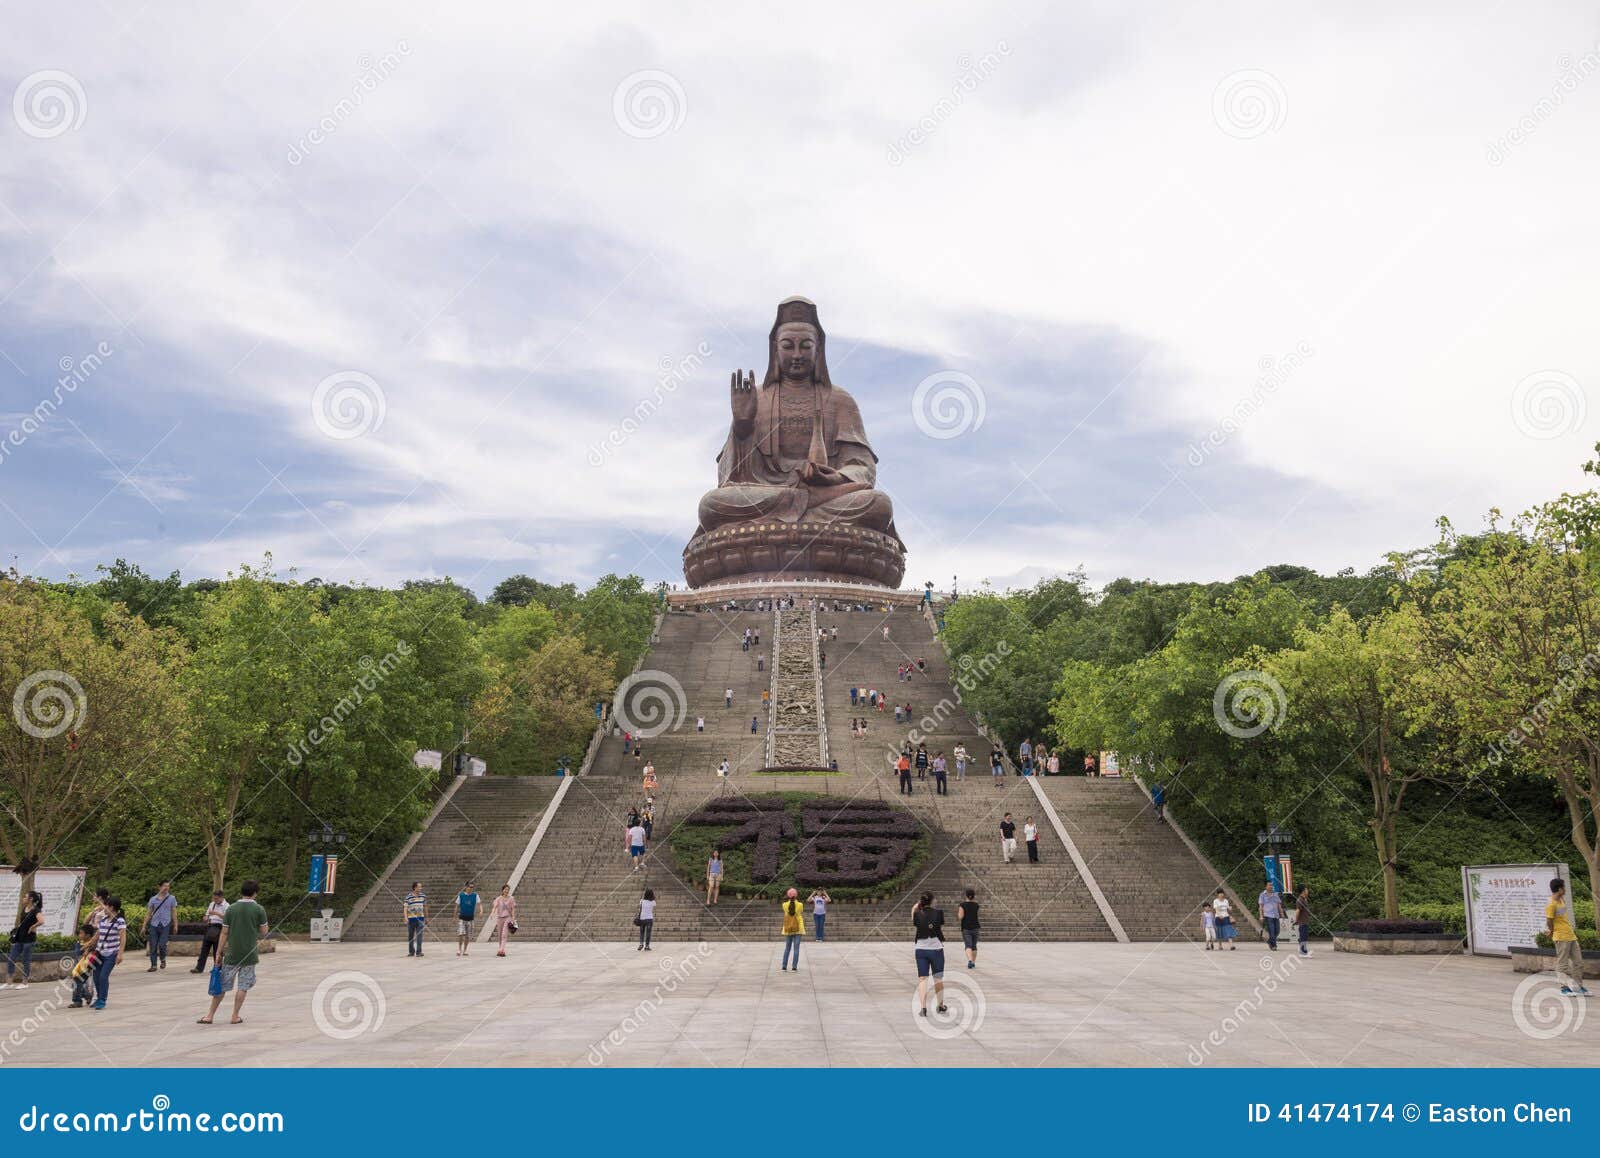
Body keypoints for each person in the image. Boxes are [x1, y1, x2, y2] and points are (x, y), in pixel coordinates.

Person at [197, 879, 268, 1026]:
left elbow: (224, 933)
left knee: (222, 985)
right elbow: (264, 931)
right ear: (255, 893)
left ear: (241, 891)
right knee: (243, 986)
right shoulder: (259, 909)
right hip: (249, 955)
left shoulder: (231, 909)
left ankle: (209, 1015)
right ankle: (235, 1016)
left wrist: (218, 952)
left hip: (232, 954)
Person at [1547, 877, 1587, 994]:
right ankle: (1563, 987)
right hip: (1561, 937)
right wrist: (1552, 931)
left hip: (1571, 935)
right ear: (1560, 889)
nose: (1565, 889)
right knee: (1563, 964)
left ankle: (1577, 986)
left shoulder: (1561, 900)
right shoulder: (1551, 904)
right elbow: (1549, 921)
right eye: (1564, 887)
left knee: (1578, 962)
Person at [912, 892, 947, 1018]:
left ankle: (923, 1008)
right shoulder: (939, 913)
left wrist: (916, 907)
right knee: (938, 978)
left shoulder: (917, 914)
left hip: (921, 949)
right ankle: (940, 1005)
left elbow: (915, 921)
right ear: (932, 901)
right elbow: (938, 926)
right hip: (936, 949)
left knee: (922, 978)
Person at [90, 896, 126, 1010]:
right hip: (99, 953)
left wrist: (120, 954)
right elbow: (98, 935)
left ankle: (102, 1000)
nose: (103, 908)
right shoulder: (103, 920)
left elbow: (123, 938)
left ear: (111, 907)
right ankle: (98, 997)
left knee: (103, 976)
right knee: (96, 976)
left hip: (111, 954)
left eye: (105, 905)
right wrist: (88, 945)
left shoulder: (120, 921)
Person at [4, 891, 43, 988]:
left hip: (29, 940)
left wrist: (33, 927)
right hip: (19, 939)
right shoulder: (24, 908)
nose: (23, 898)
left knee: (26, 961)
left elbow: (41, 921)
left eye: (25, 897)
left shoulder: (36, 910)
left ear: (31, 899)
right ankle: (9, 983)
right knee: (11, 958)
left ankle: (25, 983)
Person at [143, 879, 178, 972]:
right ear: (159, 887)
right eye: (164, 886)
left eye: (168, 886)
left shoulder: (172, 898)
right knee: (153, 946)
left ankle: (163, 959)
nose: (166, 888)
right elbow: (148, 913)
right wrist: (144, 926)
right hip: (154, 924)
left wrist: (175, 925)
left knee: (162, 945)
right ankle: (153, 965)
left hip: (165, 924)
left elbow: (174, 912)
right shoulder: (153, 899)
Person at [191, 891, 228, 973]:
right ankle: (199, 968)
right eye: (214, 898)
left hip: (219, 927)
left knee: (217, 949)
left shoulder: (226, 905)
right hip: (210, 927)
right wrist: (205, 917)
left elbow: (227, 918)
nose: (215, 900)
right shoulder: (212, 904)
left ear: (221, 897)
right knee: (204, 948)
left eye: (216, 899)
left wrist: (216, 913)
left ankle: (218, 968)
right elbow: (207, 915)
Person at [68, 921, 99, 1007]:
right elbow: (77, 952)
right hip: (80, 966)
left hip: (89, 966)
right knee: (77, 982)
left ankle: (78, 1000)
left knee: (79, 982)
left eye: (81, 933)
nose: (79, 935)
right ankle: (86, 996)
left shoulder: (95, 944)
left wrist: (88, 948)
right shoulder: (79, 943)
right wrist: (85, 947)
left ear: (88, 935)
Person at [780, 888, 805, 971]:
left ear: (788, 895)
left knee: (787, 948)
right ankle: (794, 967)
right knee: (796, 948)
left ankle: (784, 966)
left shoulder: (784, 905)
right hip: (798, 928)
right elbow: (801, 911)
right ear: (796, 895)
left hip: (788, 928)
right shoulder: (800, 905)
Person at [957, 887, 980, 969]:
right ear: (974, 896)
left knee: (968, 945)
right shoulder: (976, 905)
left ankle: (970, 960)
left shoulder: (962, 905)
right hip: (976, 927)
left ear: (966, 895)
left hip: (966, 928)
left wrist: (958, 914)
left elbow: (960, 916)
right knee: (974, 946)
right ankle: (973, 962)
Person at [491, 885, 517, 957]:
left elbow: (513, 909)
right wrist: (492, 913)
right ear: (502, 890)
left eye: (508, 889)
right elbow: (494, 907)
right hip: (500, 918)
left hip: (508, 917)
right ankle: (500, 949)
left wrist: (513, 918)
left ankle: (502, 950)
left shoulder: (511, 898)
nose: (506, 891)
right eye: (505, 889)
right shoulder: (498, 899)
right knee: (500, 935)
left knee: (504, 934)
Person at [456, 881, 480, 957]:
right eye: (470, 887)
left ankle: (465, 950)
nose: (471, 888)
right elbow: (457, 906)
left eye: (472, 887)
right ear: (466, 887)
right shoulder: (461, 895)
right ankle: (459, 949)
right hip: (462, 918)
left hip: (470, 919)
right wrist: (454, 916)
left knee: (467, 935)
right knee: (460, 934)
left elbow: (479, 904)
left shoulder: (475, 895)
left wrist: (481, 911)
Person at [404, 881, 427, 957]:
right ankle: (411, 952)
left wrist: (427, 917)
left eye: (421, 887)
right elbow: (405, 908)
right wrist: (406, 918)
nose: (420, 888)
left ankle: (419, 952)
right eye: (419, 887)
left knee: (419, 936)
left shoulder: (423, 896)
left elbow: (425, 907)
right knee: (410, 936)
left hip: (421, 919)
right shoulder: (408, 897)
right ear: (414, 887)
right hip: (411, 919)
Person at [1258, 880, 1283, 951]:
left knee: (1277, 931)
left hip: (1276, 915)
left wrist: (1281, 913)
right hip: (1268, 915)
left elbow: (1279, 905)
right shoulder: (1262, 895)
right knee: (1271, 931)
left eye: (1272, 885)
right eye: (1269, 885)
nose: (1271, 886)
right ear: (1266, 886)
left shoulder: (1275, 894)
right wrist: (1261, 916)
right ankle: (1274, 945)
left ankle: (1270, 941)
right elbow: (1261, 906)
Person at [1293, 885, 1312, 957]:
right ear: (1303, 891)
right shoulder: (1300, 900)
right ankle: (1303, 953)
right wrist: (1296, 920)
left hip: (1305, 921)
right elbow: (1298, 910)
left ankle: (1303, 950)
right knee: (1303, 937)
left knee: (1304, 937)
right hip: (1302, 922)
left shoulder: (1304, 899)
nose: (1308, 891)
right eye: (1306, 889)